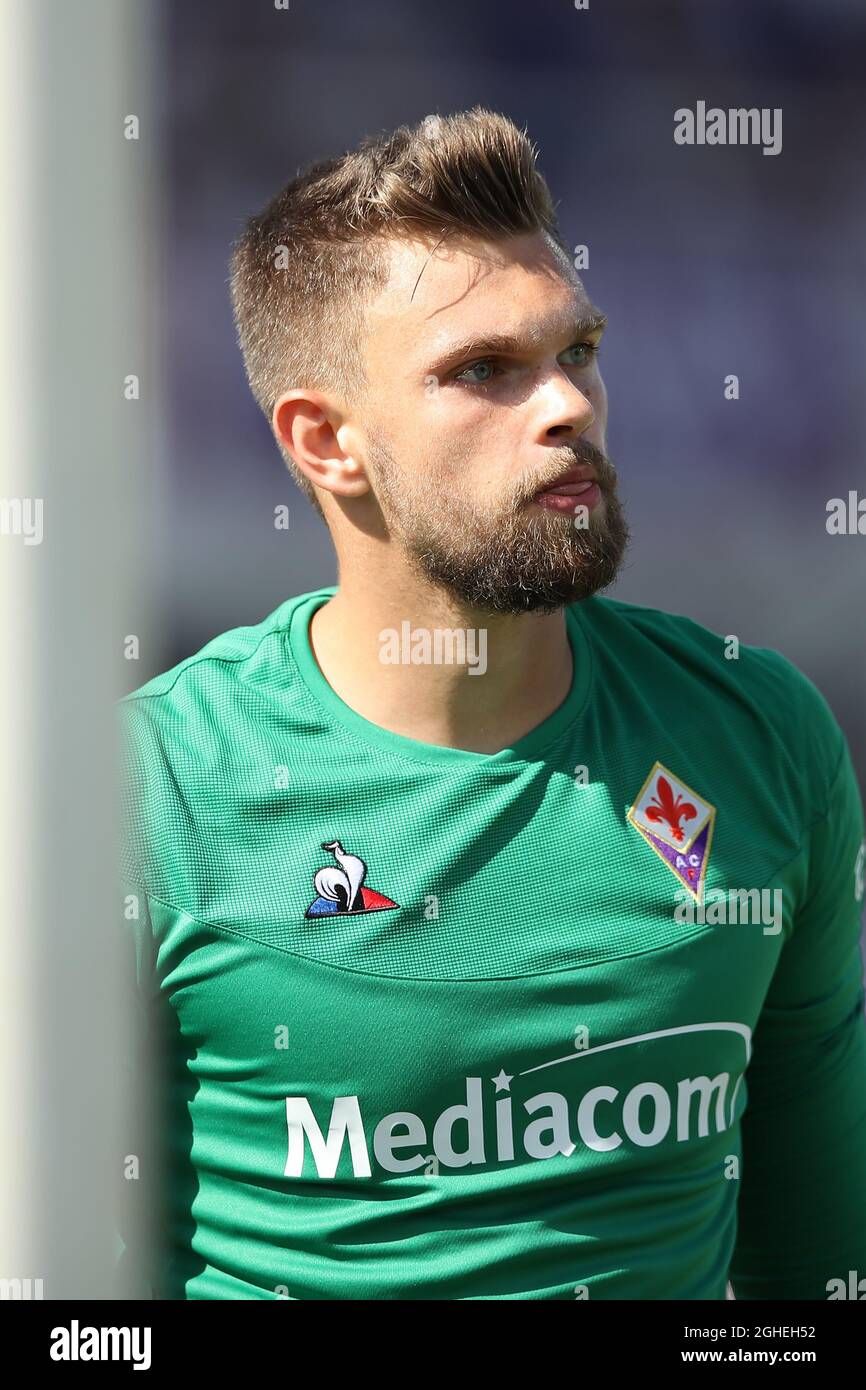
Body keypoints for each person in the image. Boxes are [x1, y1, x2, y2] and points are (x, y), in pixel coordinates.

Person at [118, 107, 866, 1300]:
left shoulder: (758, 738)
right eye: (483, 371)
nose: (566, 406)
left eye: (576, 351)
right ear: (326, 443)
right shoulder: (149, 790)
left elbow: (816, 1269)